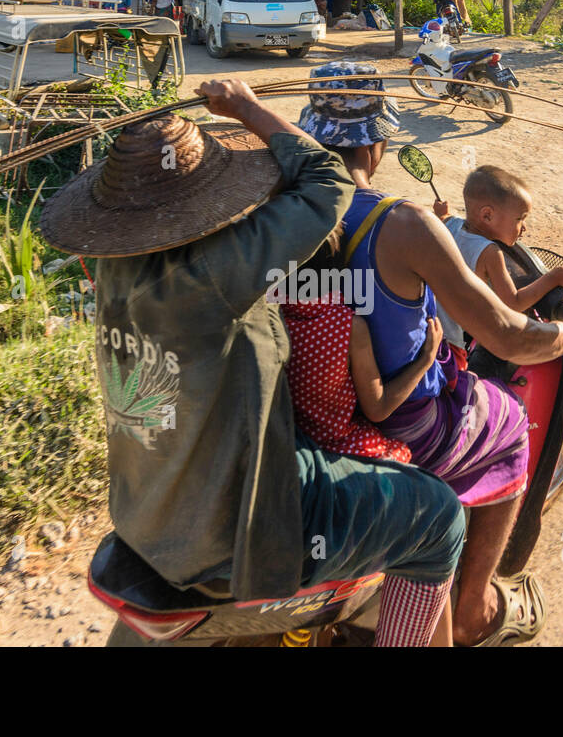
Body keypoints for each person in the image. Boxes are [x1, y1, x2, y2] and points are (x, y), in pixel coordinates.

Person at [39, 79, 465, 647]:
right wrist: (245, 108)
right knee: (439, 518)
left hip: (143, 512)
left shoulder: (115, 269)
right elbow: (328, 181)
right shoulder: (219, 270)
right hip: (234, 525)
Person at [296, 61, 563, 646]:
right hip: (406, 420)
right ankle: (472, 609)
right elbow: (509, 336)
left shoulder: (278, 210)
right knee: (512, 422)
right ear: (378, 143)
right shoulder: (404, 222)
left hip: (312, 412)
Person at [278, 231, 443, 463]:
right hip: (335, 447)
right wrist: (426, 359)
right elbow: (378, 409)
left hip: (287, 435)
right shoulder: (349, 326)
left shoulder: (271, 310)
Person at [434, 166, 563, 360]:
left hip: (425, 325)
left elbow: (443, 217)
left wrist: (441, 213)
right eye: (520, 219)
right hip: (449, 345)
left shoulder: (448, 224)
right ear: (487, 215)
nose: (524, 228)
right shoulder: (489, 252)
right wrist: (552, 278)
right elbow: (513, 303)